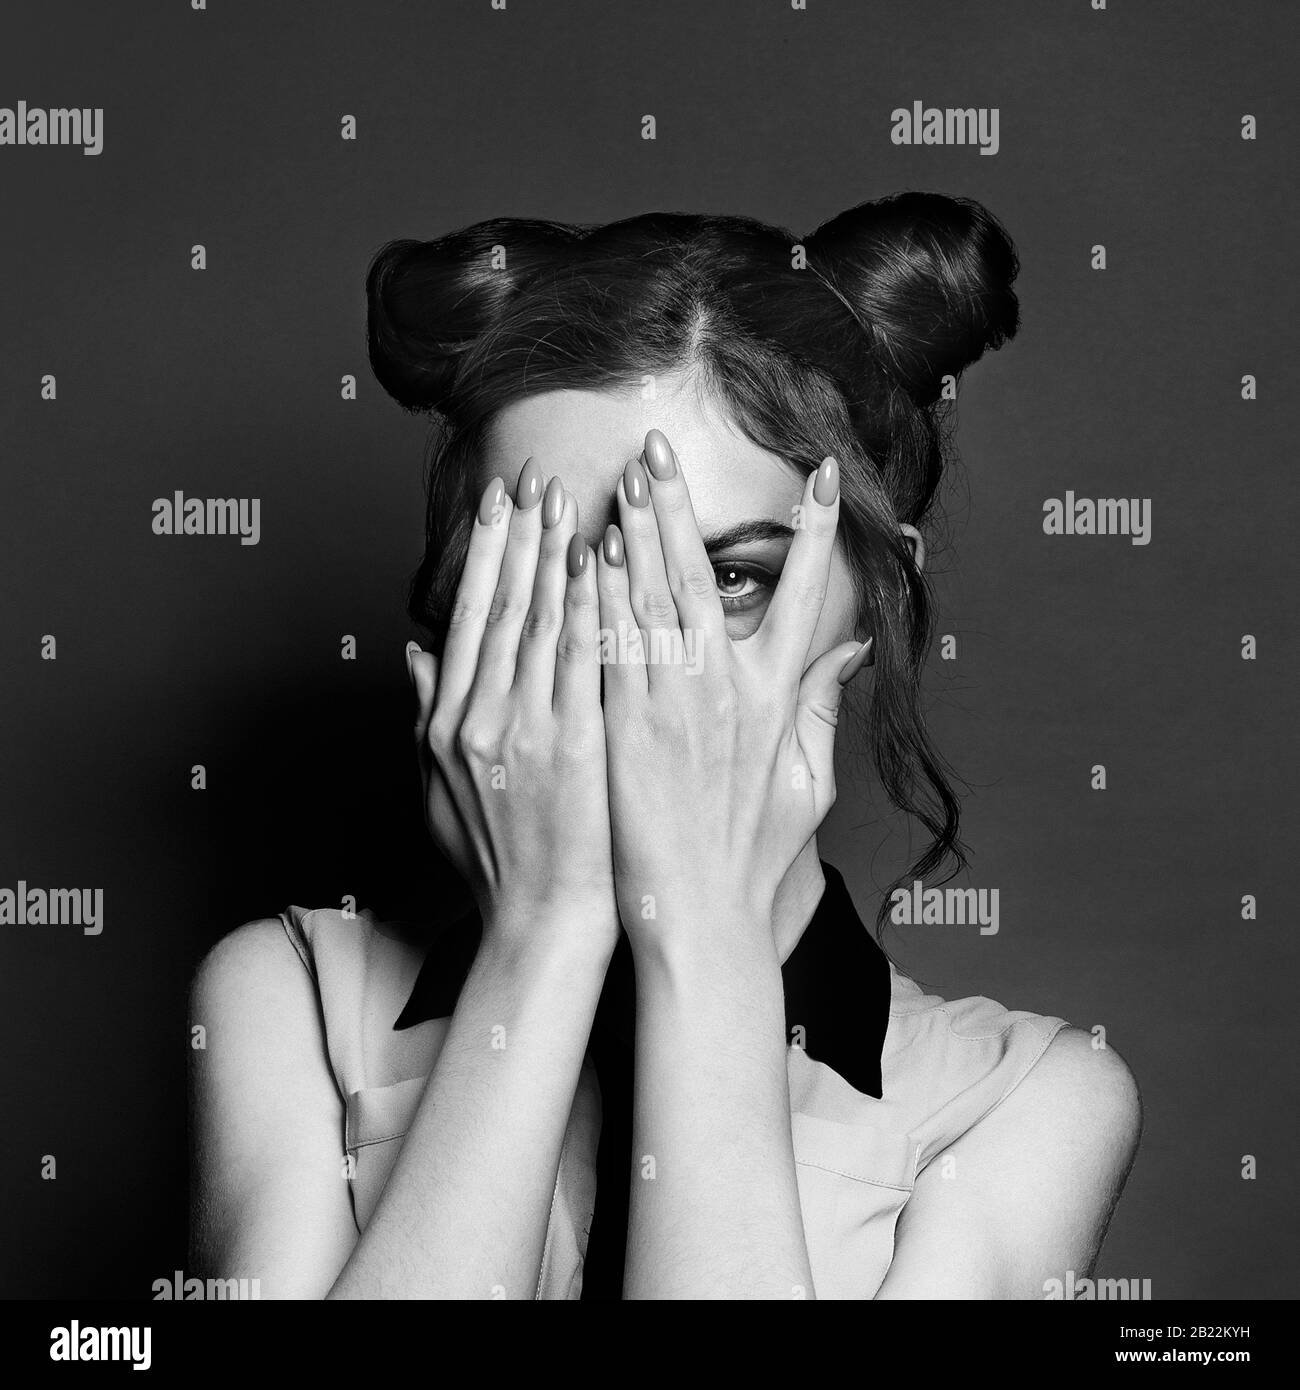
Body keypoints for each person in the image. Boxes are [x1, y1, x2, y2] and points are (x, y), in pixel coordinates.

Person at [188, 195, 1141, 1299]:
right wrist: (540, 937)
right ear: (465, 603)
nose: (622, 649)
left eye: (725, 577)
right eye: (549, 571)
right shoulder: (288, 1002)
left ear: (873, 601)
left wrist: (705, 939)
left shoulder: (1027, 1100)